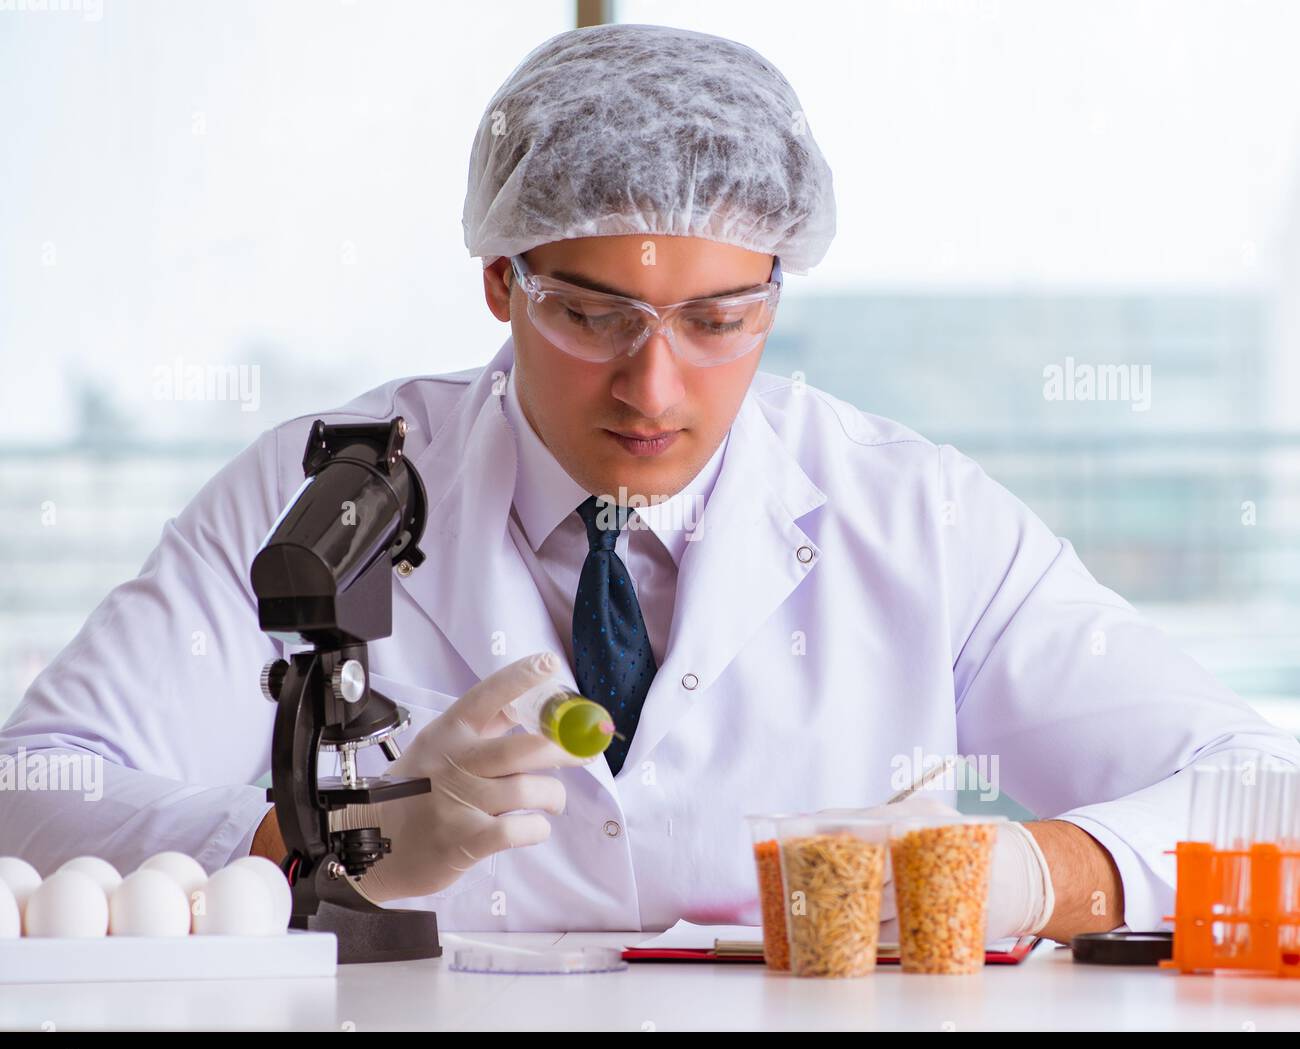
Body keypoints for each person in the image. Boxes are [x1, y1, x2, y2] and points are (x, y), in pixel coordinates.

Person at [2, 24, 1295, 941]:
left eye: (721, 318)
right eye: (595, 313)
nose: (655, 388)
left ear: (780, 290)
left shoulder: (920, 520)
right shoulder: (322, 489)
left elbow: (1259, 788)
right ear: (501, 279)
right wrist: (333, 837)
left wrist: (1016, 872)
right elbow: (35, 785)